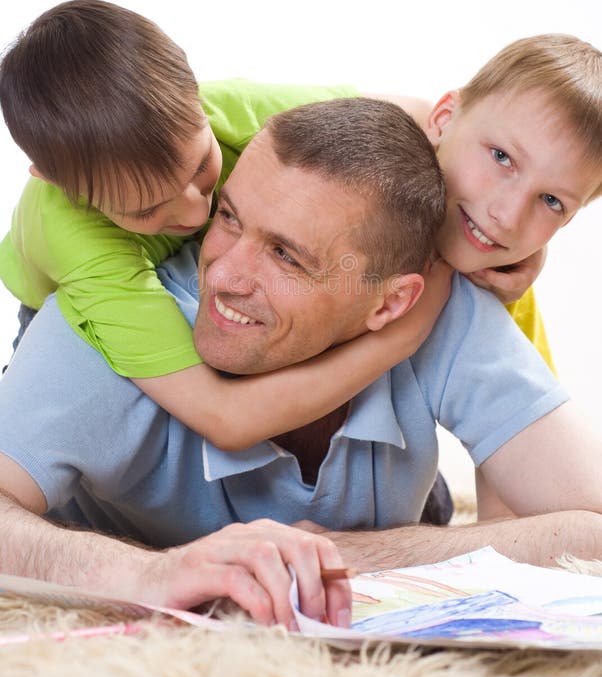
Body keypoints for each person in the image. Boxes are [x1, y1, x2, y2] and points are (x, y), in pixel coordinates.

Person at [0, 98, 601, 627]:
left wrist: (353, 554)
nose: (226, 276)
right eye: (228, 217)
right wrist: (148, 575)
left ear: (392, 303)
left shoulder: (446, 308)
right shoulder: (106, 327)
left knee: (440, 509)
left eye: (287, 256)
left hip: (381, 494)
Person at [0, 0, 449, 456]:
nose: (196, 213)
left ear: (194, 92)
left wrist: (503, 243)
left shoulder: (228, 108)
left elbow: (427, 121)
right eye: (146, 209)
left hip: (220, 263)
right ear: (56, 182)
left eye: (200, 167)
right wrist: (401, 337)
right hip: (77, 303)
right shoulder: (76, 240)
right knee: (132, 435)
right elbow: (225, 418)